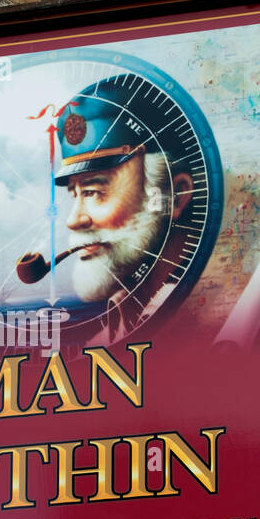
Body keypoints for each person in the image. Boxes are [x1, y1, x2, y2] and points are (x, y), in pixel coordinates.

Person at [51, 75, 197, 344]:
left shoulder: (211, 319)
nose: (73, 220)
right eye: (75, 195)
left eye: (93, 192)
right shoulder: (103, 342)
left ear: (175, 196)